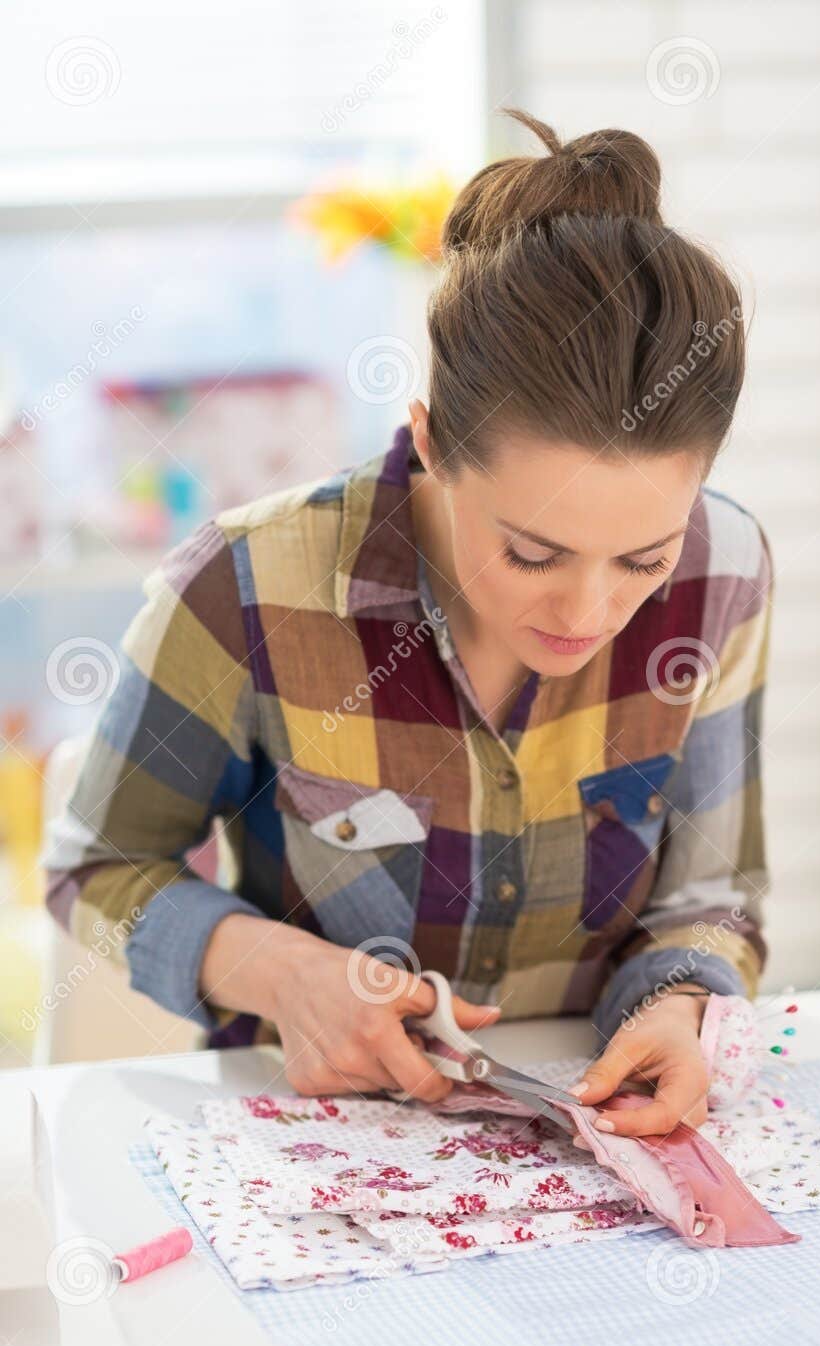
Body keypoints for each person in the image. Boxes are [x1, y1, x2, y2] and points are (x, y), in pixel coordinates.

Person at [43, 109, 771, 1142]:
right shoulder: (245, 587)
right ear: (428, 440)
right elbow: (96, 865)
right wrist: (282, 972)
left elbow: (713, 892)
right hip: (317, 1151)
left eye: (642, 560)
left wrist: (676, 1005)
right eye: (532, 552)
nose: (589, 612)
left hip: (599, 1165)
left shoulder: (724, 569)